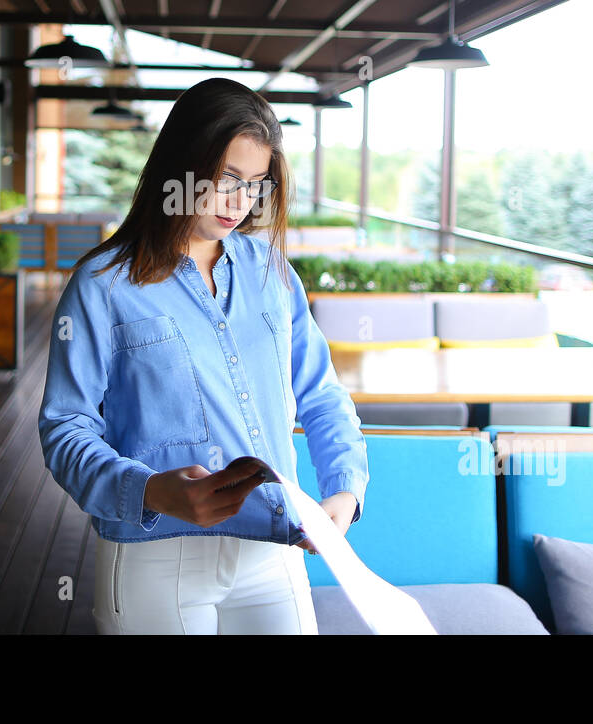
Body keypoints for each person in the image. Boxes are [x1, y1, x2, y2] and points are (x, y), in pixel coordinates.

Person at [37, 77, 368, 634]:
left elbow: (320, 392)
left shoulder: (271, 273)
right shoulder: (102, 284)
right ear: (180, 167)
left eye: (256, 184)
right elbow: (65, 429)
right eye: (226, 180)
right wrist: (148, 488)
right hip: (155, 559)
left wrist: (345, 489)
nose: (241, 203)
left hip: (273, 547)